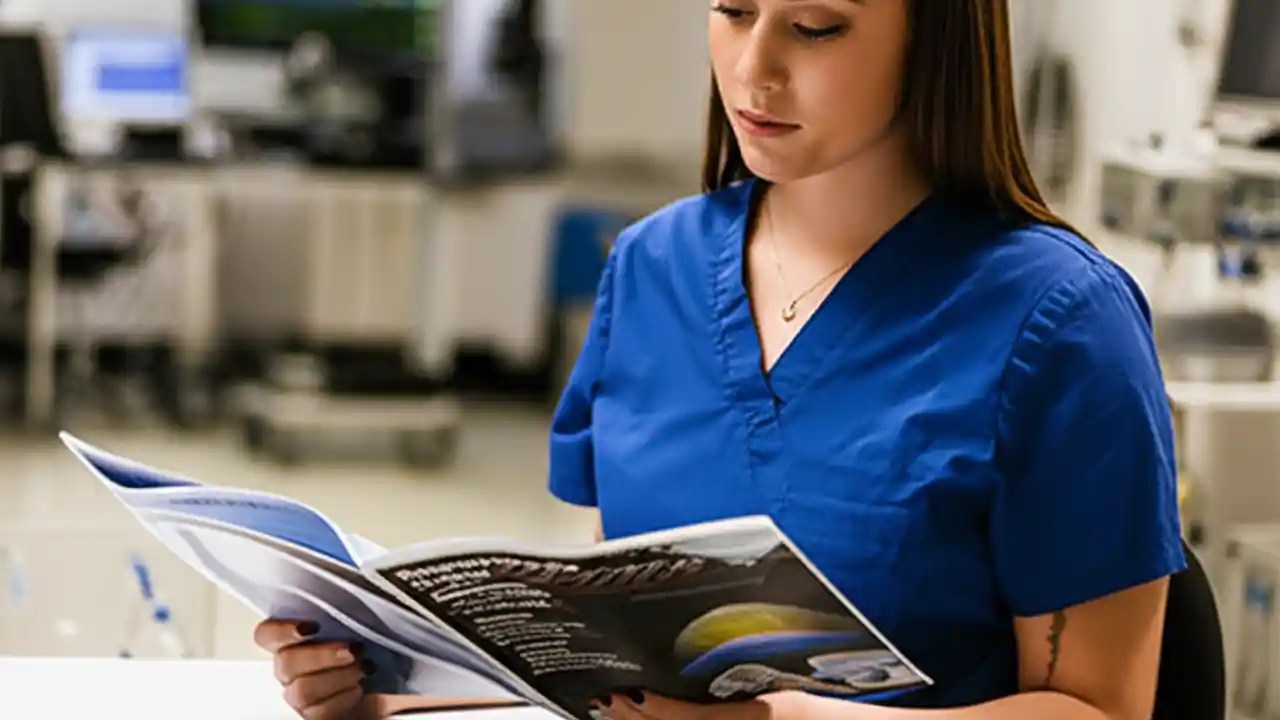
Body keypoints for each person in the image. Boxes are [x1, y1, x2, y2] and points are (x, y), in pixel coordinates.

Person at [255, 1, 1187, 718]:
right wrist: (385, 684)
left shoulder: (1059, 322)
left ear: (937, 38)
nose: (753, 69)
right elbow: (609, 648)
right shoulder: (653, 266)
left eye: (815, 28)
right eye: (732, 11)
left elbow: (1097, 707)